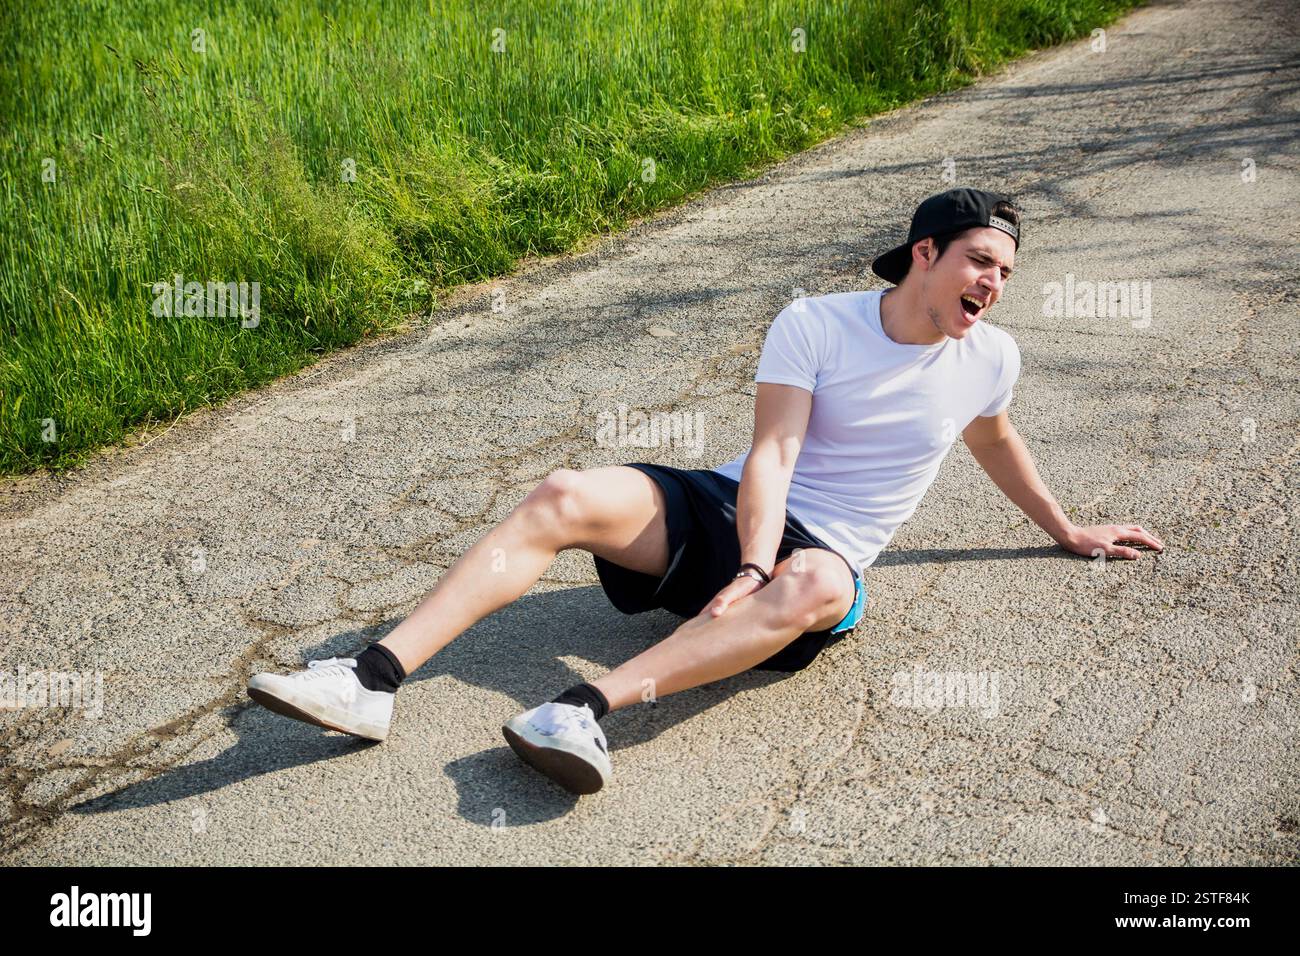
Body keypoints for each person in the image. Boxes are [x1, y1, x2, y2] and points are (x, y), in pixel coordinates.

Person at [247, 187, 1164, 795]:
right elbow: (772, 452)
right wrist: (751, 560)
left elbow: (994, 438)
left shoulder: (991, 358)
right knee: (565, 491)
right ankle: (370, 681)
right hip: (736, 512)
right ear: (924, 253)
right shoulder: (817, 323)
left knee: (821, 585)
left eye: (1004, 272)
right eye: (979, 262)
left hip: (823, 558)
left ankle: (579, 713)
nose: (993, 285)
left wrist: (1066, 526)